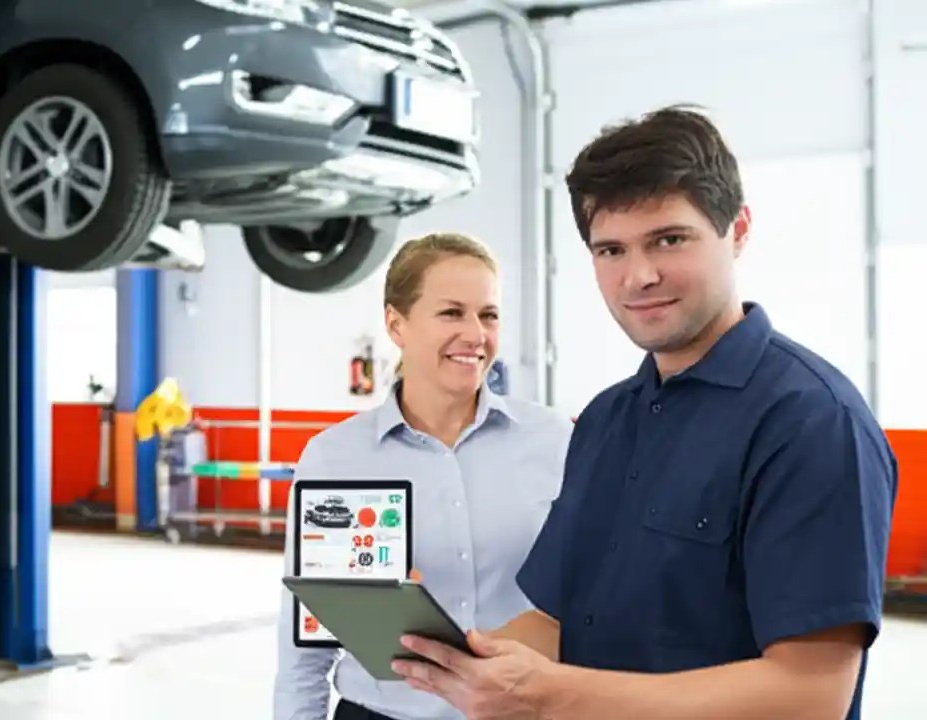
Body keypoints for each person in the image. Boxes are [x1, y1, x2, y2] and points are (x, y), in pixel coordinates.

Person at [390, 106, 899, 719]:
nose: (640, 275)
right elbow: (557, 623)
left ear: (737, 230)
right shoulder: (606, 421)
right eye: (610, 250)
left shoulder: (812, 422)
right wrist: (448, 655)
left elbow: (809, 695)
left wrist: (551, 696)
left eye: (669, 239)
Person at [273, 233, 575, 720]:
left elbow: (588, 604)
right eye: (452, 313)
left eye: (489, 314)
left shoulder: (554, 442)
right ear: (397, 324)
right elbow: (309, 644)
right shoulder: (338, 459)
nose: (476, 334)